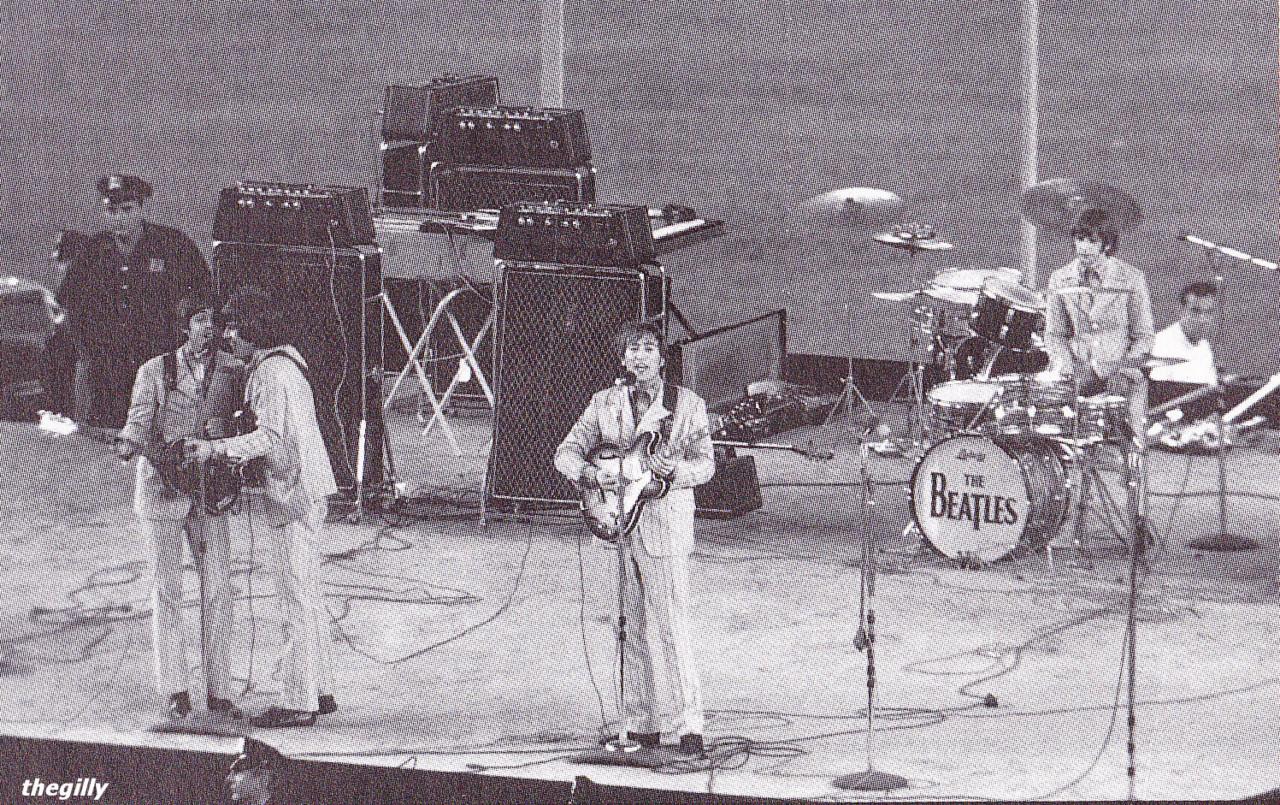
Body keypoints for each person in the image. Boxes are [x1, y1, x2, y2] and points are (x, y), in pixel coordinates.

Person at [554, 320, 715, 755]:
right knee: (627, 627)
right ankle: (641, 722)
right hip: (615, 525)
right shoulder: (603, 403)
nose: (639, 357)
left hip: (665, 526)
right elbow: (565, 452)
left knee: (672, 626)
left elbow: (706, 465)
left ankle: (690, 726)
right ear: (623, 358)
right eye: (632, 350)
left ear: (662, 357)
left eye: (647, 348)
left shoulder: (688, 406)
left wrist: (674, 472)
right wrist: (592, 475)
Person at [185, 286, 339, 729]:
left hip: (294, 493)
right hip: (308, 487)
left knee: (294, 598)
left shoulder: (271, 373)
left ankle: (298, 702)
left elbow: (269, 437)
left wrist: (215, 448)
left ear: (253, 327)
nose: (227, 336)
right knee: (308, 594)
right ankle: (320, 688)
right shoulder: (286, 364)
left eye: (234, 327)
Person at [115, 291, 245, 720]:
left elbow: (244, 423)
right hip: (163, 491)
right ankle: (176, 689)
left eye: (214, 320)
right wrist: (130, 444)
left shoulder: (233, 370)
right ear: (185, 325)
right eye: (200, 319)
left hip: (209, 491)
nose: (208, 327)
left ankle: (220, 690)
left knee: (219, 588)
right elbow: (137, 422)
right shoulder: (155, 370)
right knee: (167, 590)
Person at [58, 175, 212, 428]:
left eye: (127, 210)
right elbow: (68, 303)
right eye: (112, 211)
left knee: (160, 432)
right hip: (108, 372)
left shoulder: (172, 245)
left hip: (160, 366)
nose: (119, 218)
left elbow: (203, 293)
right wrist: (86, 350)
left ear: (141, 209)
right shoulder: (93, 252)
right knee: (108, 436)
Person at [1044, 208, 1155, 439]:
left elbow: (1144, 336)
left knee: (1131, 446)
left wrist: (1122, 370)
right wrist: (1068, 369)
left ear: (1107, 244)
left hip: (1121, 376)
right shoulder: (1059, 278)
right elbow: (1055, 334)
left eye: (1092, 241)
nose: (1083, 247)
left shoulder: (1132, 278)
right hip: (1077, 375)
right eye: (1079, 239)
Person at [1148, 281, 1218, 385]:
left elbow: (1211, 389)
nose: (1203, 319)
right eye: (1195, 311)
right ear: (1181, 311)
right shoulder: (1160, 345)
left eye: (1208, 312)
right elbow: (1156, 391)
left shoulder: (1204, 346)